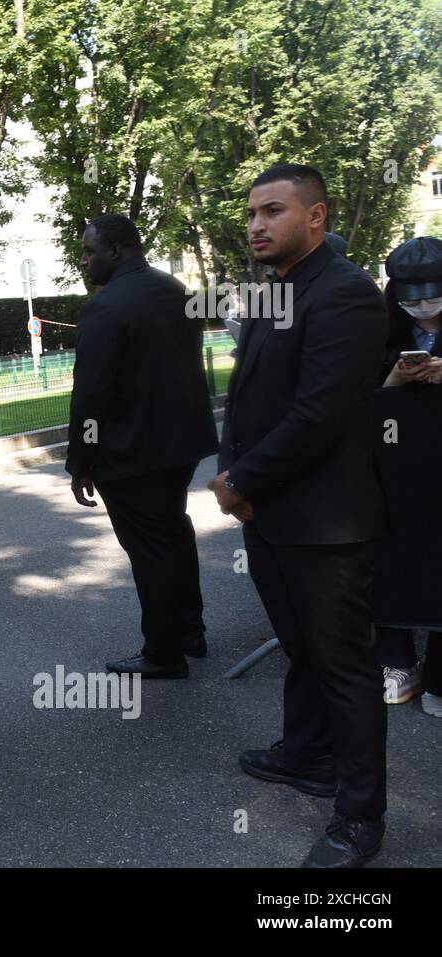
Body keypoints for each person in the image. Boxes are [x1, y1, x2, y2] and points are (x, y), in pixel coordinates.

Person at [211, 164, 388, 868]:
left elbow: (321, 413)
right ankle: (307, 753)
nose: (257, 224)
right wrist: (231, 472)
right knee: (302, 649)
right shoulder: (269, 293)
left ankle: (360, 817)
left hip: (327, 524)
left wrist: (244, 479)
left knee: (344, 667)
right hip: (269, 513)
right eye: (252, 212)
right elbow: (246, 396)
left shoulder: (346, 294)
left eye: (273, 211)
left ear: (315, 217)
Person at [66, 214, 219, 678]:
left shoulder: (105, 306)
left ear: (117, 251)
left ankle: (163, 652)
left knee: (150, 550)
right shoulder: (175, 291)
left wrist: (81, 463)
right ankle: (190, 631)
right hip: (181, 445)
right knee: (174, 533)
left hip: (130, 454)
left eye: (90, 251)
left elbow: (91, 392)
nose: (84, 260)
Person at [372, 236, 442, 716]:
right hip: (395, 465)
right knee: (392, 559)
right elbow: (355, 398)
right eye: (411, 298)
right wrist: (393, 383)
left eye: (432, 297)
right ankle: (398, 663)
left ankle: (438, 675)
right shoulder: (380, 327)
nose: (422, 308)